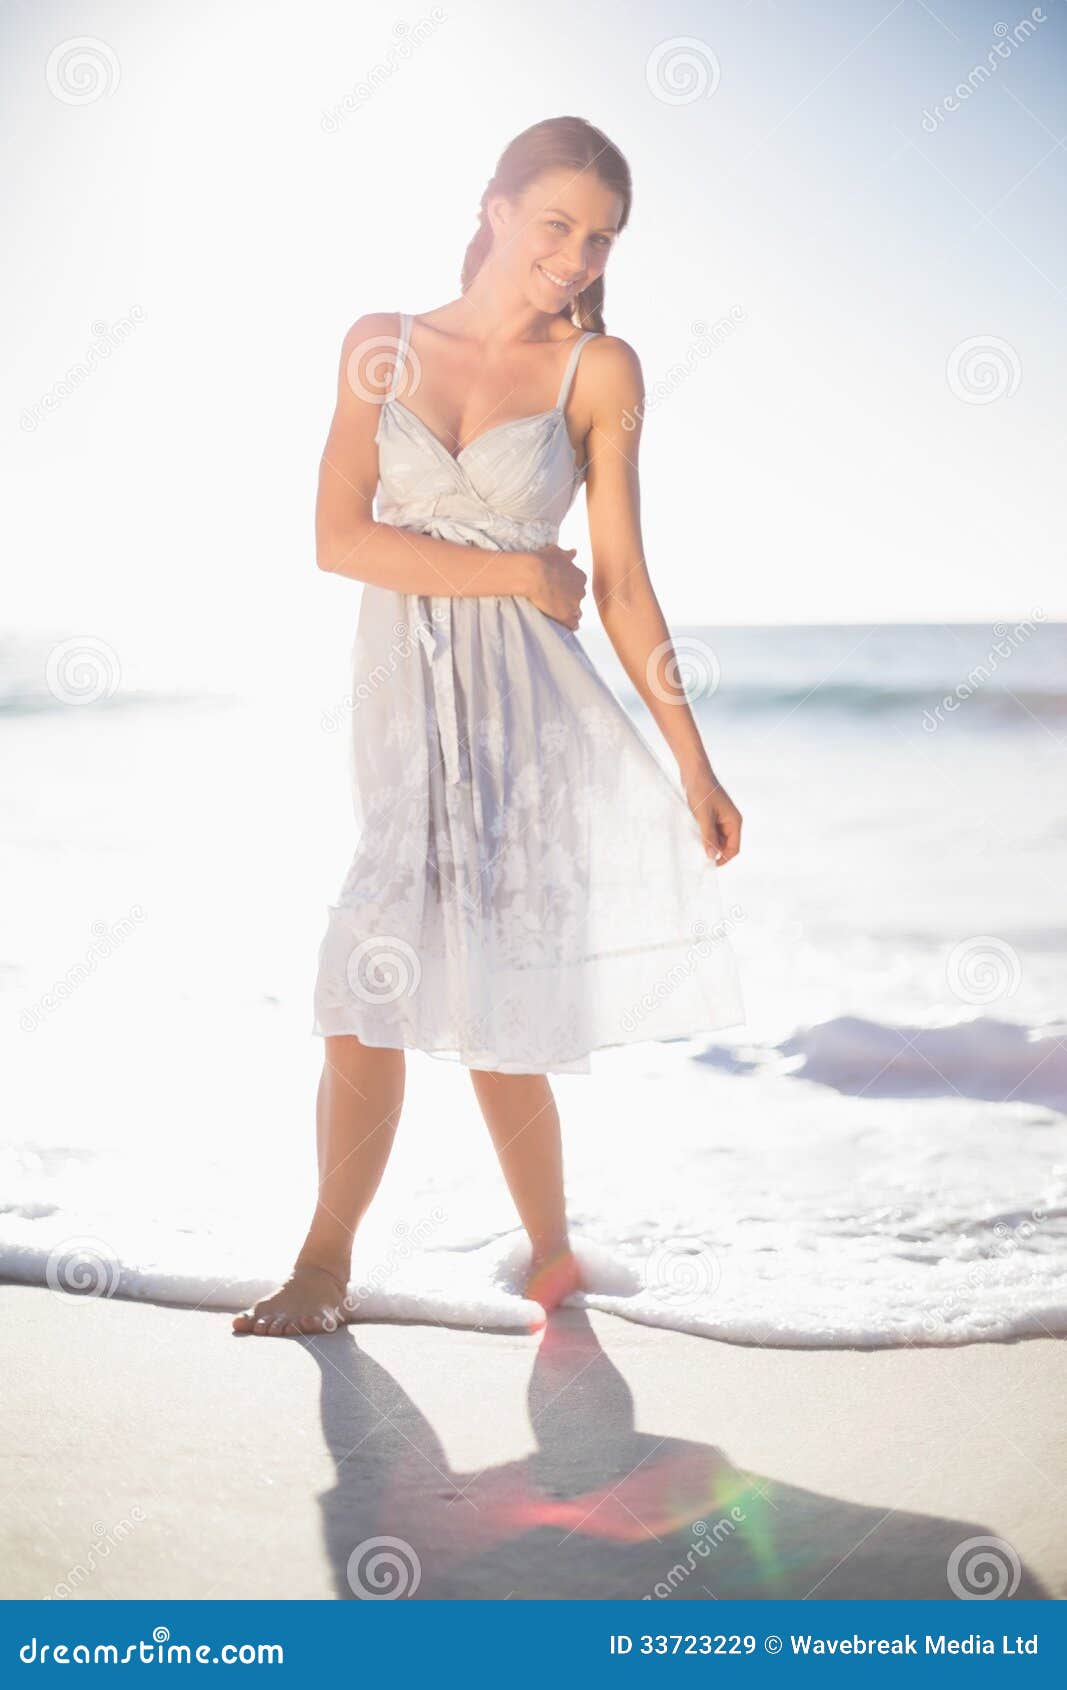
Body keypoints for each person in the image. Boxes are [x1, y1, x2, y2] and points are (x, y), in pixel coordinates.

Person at [233, 115, 744, 1338]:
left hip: (530, 718)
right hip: (400, 706)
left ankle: (552, 1261)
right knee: (369, 970)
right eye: (556, 223)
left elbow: (618, 582)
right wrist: (517, 574)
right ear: (494, 206)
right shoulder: (378, 346)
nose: (573, 256)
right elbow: (335, 539)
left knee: (498, 1001)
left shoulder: (598, 371)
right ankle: (320, 1265)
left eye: (599, 239)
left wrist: (692, 761)